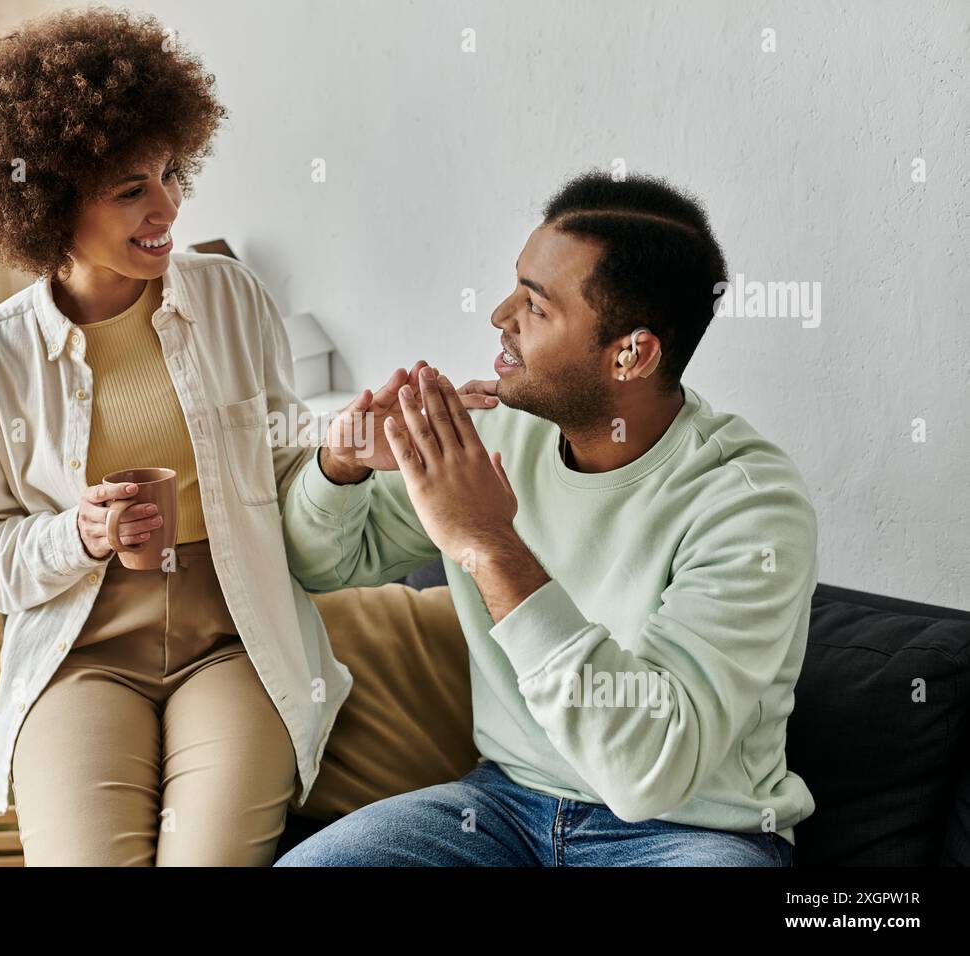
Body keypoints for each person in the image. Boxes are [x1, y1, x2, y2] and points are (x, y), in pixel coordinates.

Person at [0, 7, 492, 866]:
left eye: (169, 174)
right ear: (44, 204)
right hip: (81, 650)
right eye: (131, 190)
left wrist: (338, 456)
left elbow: (281, 465)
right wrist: (76, 535)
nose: (168, 207)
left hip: (235, 638)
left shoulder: (229, 296)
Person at [275, 171, 818, 866]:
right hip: (501, 806)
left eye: (535, 305)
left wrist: (490, 546)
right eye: (515, 287)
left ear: (632, 353)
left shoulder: (748, 503)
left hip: (693, 833)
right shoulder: (505, 436)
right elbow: (322, 564)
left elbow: (648, 775)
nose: (500, 316)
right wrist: (342, 466)